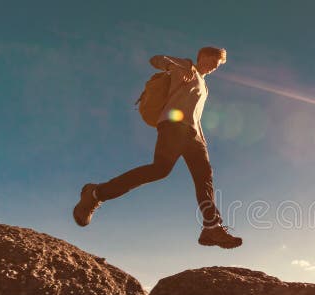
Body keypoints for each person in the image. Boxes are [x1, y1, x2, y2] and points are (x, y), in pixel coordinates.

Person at [73, 46, 242, 249]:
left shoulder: (205, 86)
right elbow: (156, 59)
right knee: (160, 169)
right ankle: (95, 194)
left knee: (204, 177)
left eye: (217, 66)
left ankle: (211, 227)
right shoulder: (186, 66)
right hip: (173, 126)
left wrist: (201, 139)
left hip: (194, 135)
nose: (213, 67)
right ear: (202, 56)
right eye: (212, 62)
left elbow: (194, 114)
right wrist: (173, 66)